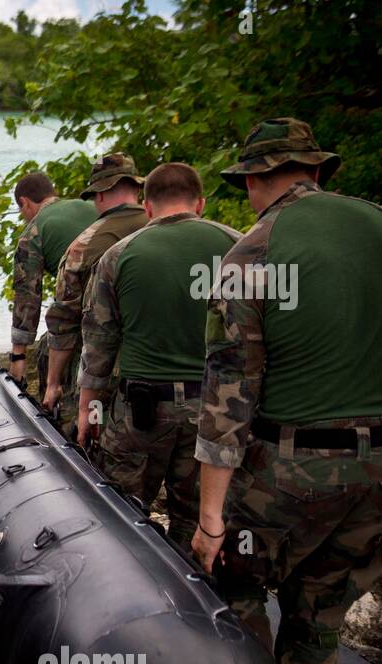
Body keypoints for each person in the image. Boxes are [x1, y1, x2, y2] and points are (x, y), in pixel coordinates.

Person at [189, 118, 382, 664]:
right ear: (318, 169)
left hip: (287, 471)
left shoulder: (252, 252)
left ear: (256, 179)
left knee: (237, 593)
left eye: (246, 184)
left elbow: (228, 399)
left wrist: (210, 518)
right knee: (321, 615)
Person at [77, 163, 241, 546]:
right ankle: (195, 593)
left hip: (141, 413)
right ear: (200, 203)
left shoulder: (118, 256)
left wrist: (88, 410)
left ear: (147, 207)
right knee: (198, 519)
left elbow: (98, 344)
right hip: (215, 411)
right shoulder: (239, 247)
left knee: (123, 517)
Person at [42, 153, 148, 434]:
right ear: (137, 189)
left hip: (103, 376)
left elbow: (63, 322)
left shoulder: (84, 246)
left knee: (94, 442)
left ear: (99, 195)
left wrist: (53, 383)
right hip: (174, 376)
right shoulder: (168, 230)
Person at [8, 172, 96, 389]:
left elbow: (27, 298)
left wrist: (18, 358)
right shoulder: (91, 206)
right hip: (124, 299)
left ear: (24, 202)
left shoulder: (32, 233)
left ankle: (56, 405)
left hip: (89, 311)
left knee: (47, 353)